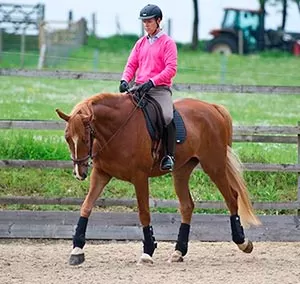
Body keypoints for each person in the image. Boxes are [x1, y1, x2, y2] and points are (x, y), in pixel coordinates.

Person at [119, 3, 178, 171]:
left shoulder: (168, 43)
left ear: (158, 21)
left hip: (159, 89)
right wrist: (125, 80)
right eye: (144, 22)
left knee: (167, 116)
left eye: (149, 21)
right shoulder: (140, 43)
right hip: (139, 87)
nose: (146, 25)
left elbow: (171, 69)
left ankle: (169, 156)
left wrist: (152, 82)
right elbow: (131, 64)